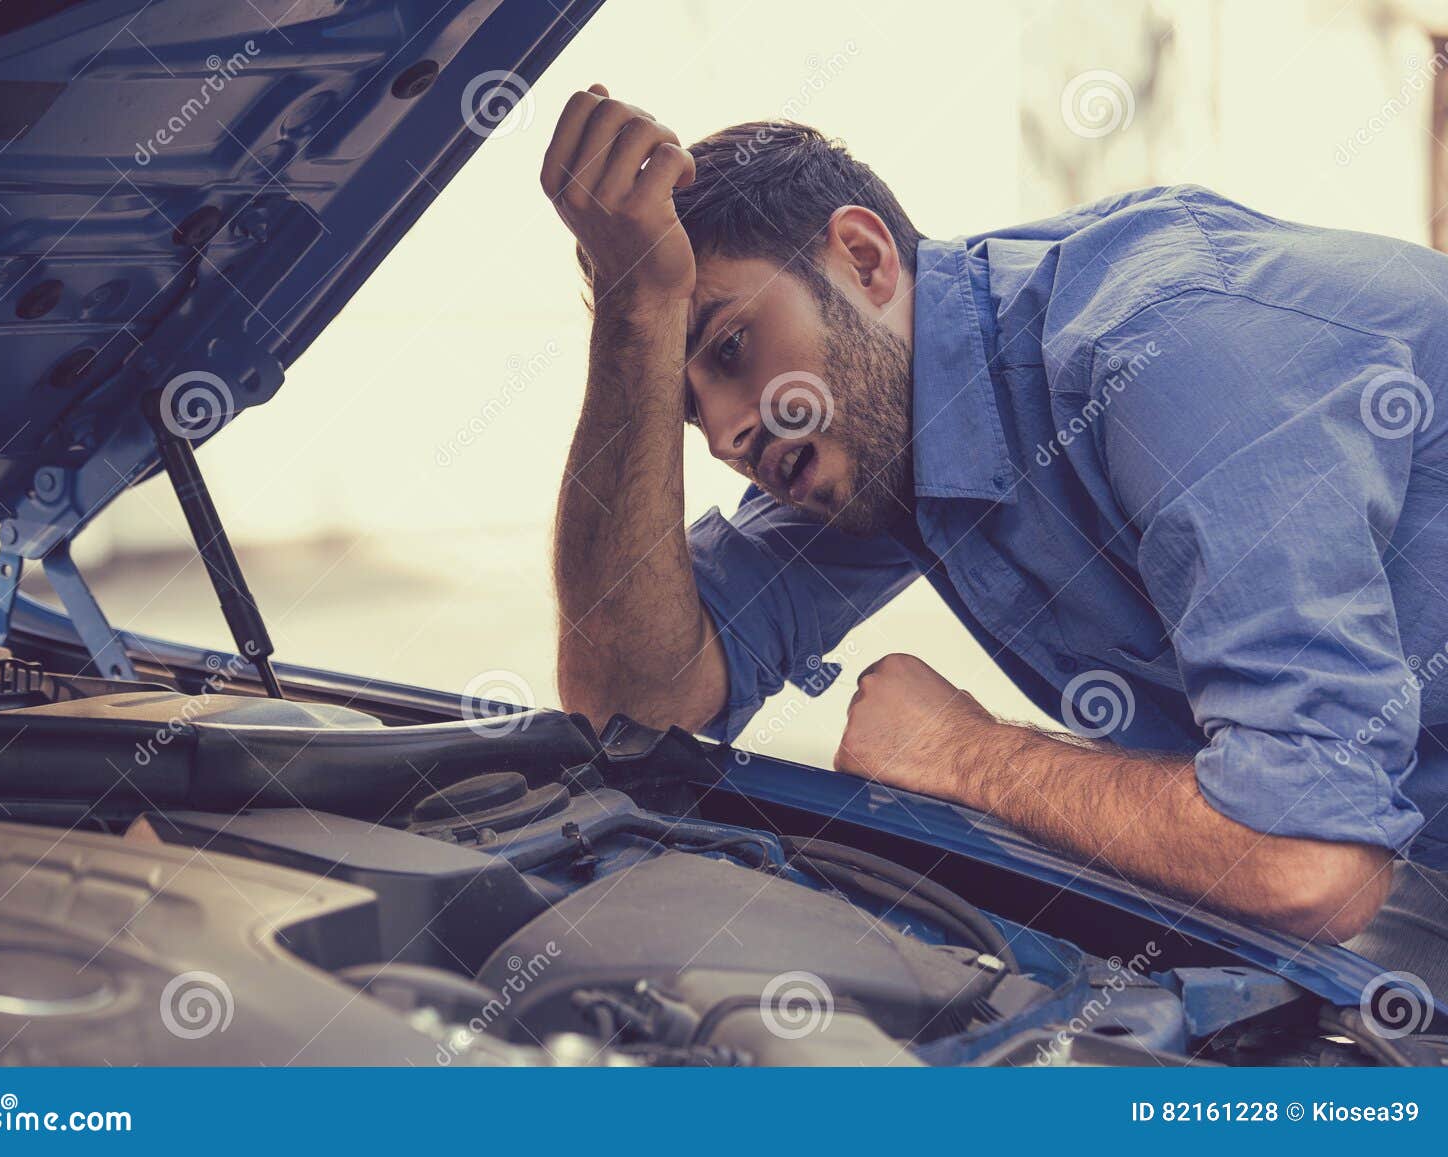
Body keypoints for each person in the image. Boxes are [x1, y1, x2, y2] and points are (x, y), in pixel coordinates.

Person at [541, 85, 1448, 992]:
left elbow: (1310, 858)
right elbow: (629, 702)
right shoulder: (890, 425)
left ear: (863, 259)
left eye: (732, 346)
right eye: (689, 408)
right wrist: (637, 323)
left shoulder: (1160, 350)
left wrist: (957, 754)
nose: (730, 433)